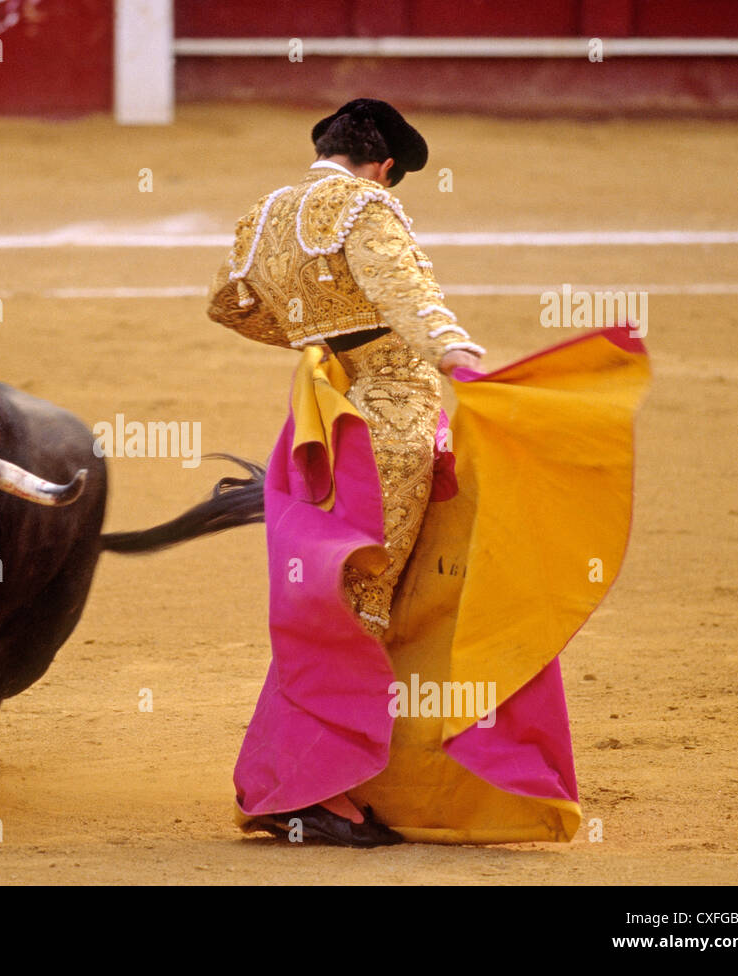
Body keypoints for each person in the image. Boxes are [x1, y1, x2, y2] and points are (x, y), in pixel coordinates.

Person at [207, 99, 484, 845]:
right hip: (392, 421)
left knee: (338, 590)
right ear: (387, 165)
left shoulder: (268, 212)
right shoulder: (365, 206)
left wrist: (321, 338)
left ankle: (313, 774)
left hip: (325, 417)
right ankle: (308, 788)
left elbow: (231, 306)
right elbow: (409, 296)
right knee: (361, 595)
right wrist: (459, 357)